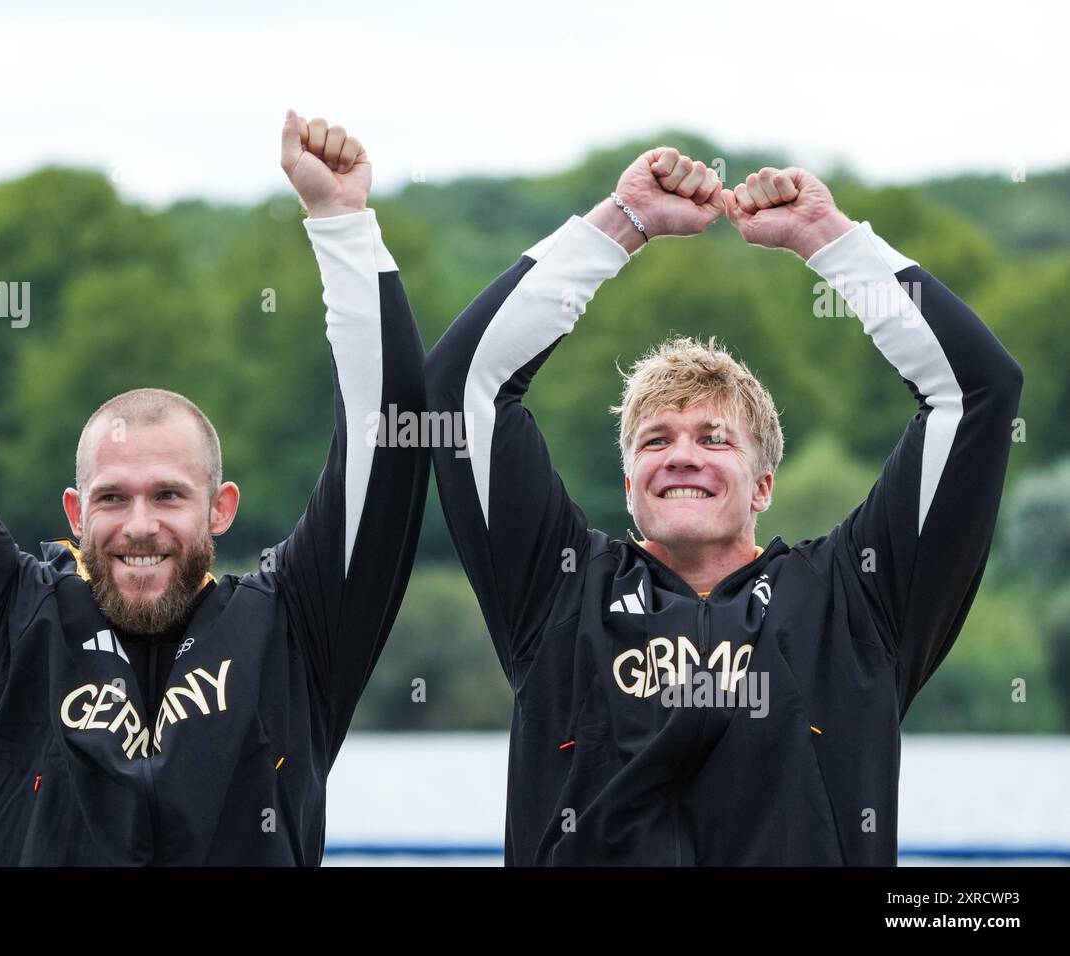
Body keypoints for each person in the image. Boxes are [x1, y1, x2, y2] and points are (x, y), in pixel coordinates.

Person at [0, 101, 428, 864]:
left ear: (221, 508)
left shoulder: (292, 634)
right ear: (74, 512)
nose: (139, 524)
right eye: (112, 498)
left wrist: (342, 223)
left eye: (169, 495)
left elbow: (386, 447)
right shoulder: (1, 630)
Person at [424, 147, 1023, 865]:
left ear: (763, 485)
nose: (682, 455)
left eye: (714, 438)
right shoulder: (558, 592)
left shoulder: (856, 602)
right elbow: (463, 387)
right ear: (627, 487)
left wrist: (827, 239)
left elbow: (977, 391)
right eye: (655, 440)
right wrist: (623, 223)